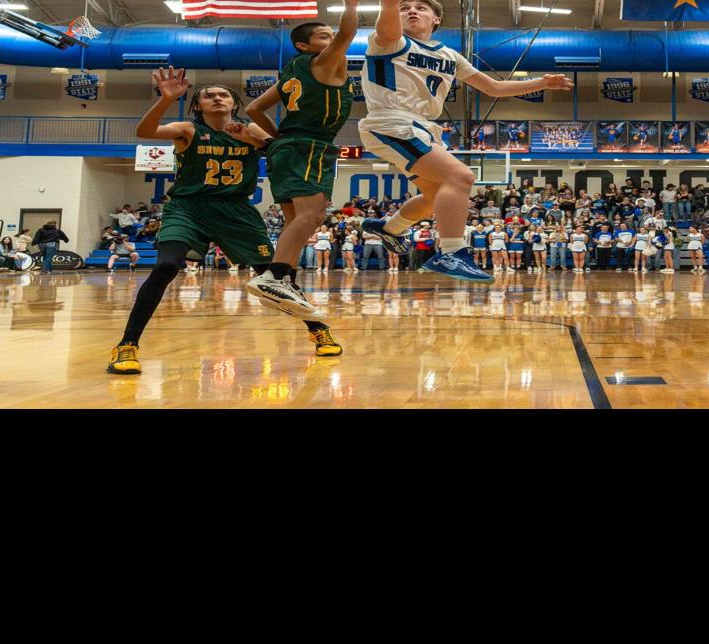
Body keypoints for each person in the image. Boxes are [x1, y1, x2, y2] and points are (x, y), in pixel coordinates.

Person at [107, 68, 340, 376]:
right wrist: (165, 99)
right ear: (197, 106)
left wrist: (264, 145)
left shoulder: (251, 129)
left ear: (234, 104)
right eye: (208, 95)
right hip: (189, 207)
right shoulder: (187, 130)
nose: (217, 97)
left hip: (236, 210)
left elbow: (283, 154)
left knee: (276, 277)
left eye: (224, 94)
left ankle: (318, 329)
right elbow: (145, 131)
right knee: (165, 267)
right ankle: (127, 344)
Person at [353, 0, 573, 283]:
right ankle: (452, 251)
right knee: (460, 176)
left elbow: (493, 87)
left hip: (424, 127)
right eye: (404, 6)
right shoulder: (387, 42)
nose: (411, 10)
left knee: (435, 198)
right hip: (392, 121)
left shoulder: (450, 55)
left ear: (436, 19)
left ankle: (391, 228)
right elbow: (388, 18)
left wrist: (541, 82)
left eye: (421, 7)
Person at [241, 0, 360, 310]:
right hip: (308, 145)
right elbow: (347, 34)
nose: (331, 39)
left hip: (288, 147)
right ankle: (275, 275)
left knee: (296, 219)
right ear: (303, 46)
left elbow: (253, 108)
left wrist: (278, 138)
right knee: (313, 214)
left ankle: (287, 280)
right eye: (324, 35)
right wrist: (352, 6)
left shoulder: (292, 72)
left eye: (329, 34)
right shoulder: (320, 63)